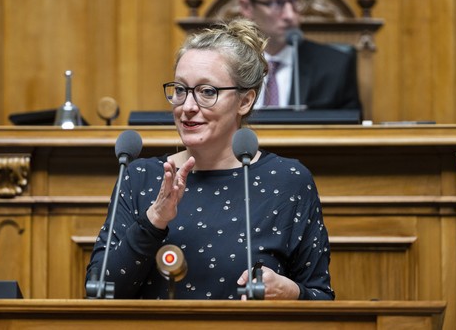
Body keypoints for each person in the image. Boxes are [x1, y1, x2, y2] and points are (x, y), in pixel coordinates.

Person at [86, 18, 335, 300]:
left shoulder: (288, 181)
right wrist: (154, 220)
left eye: (207, 92)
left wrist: (291, 292)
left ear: (245, 101)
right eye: (180, 90)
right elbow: (98, 294)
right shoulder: (141, 177)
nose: (188, 107)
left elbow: (322, 298)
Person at [238, 0, 362, 111]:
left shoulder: (335, 68)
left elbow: (353, 132)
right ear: (247, 7)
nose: (290, 15)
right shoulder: (226, 66)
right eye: (276, 2)